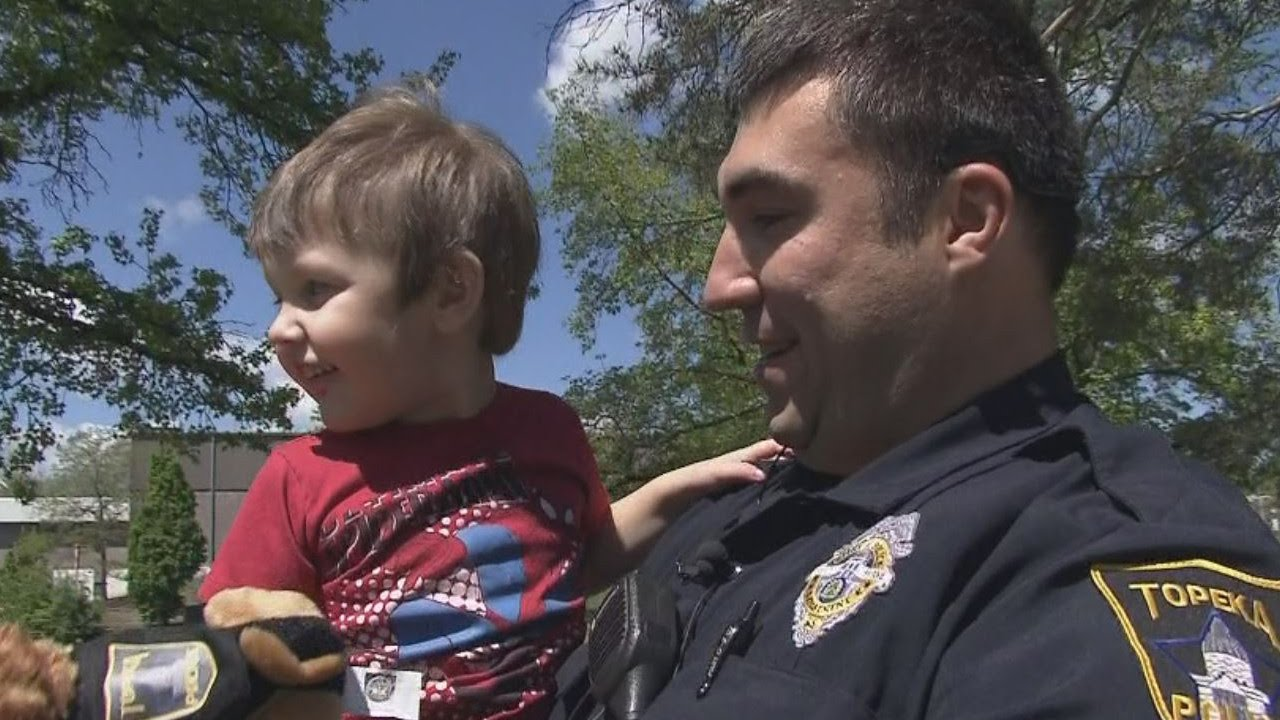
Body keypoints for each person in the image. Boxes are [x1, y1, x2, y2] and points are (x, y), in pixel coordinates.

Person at [549, 1, 1280, 718]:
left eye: (769, 218)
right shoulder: (733, 507)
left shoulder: (1093, 573)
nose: (719, 287)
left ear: (964, 220)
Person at [199, 86, 780, 720]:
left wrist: (680, 493)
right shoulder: (299, 478)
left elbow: (580, 558)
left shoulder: (547, 431)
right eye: (278, 298)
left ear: (451, 291)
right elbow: (242, 642)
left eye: (314, 289)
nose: (280, 329)